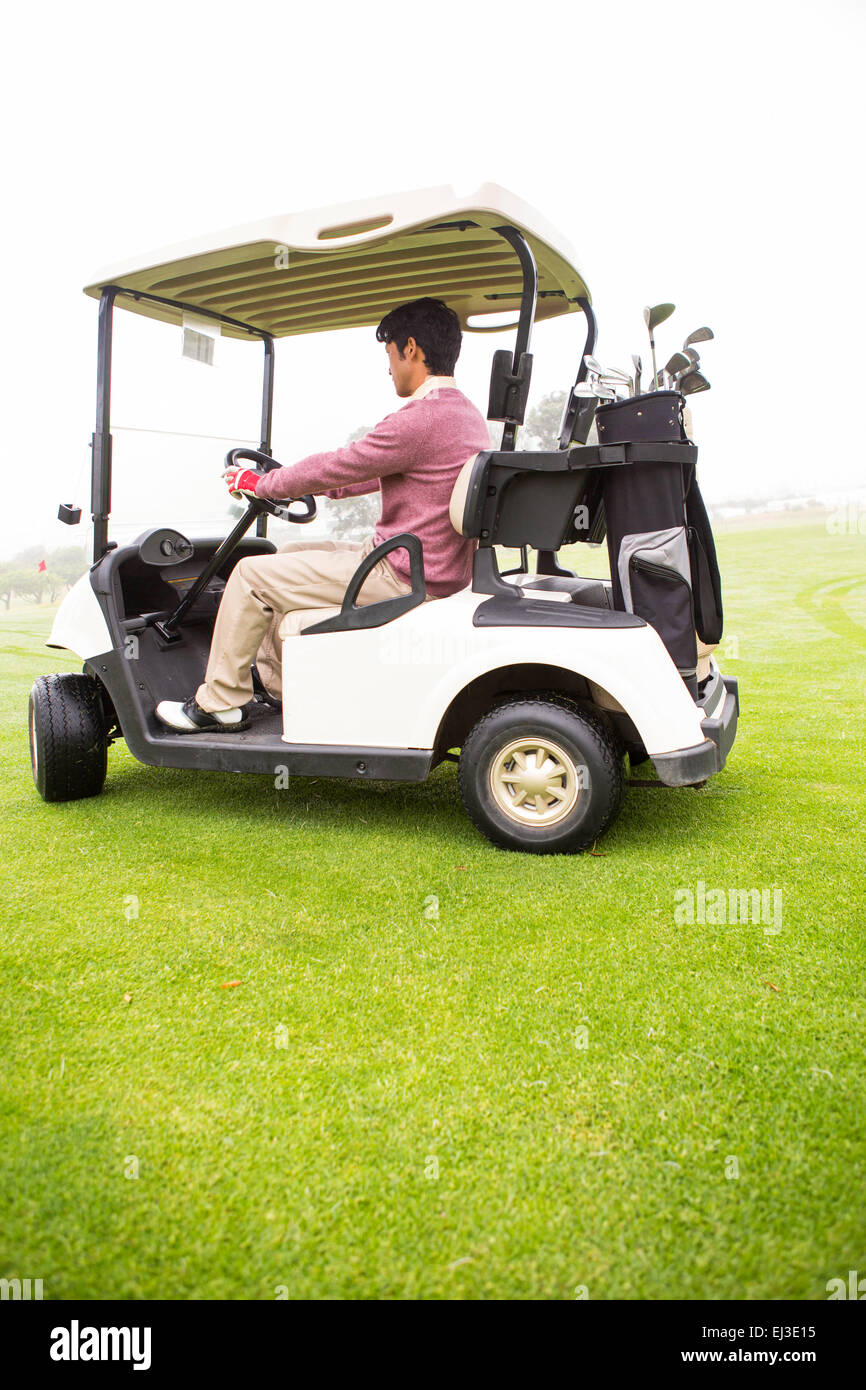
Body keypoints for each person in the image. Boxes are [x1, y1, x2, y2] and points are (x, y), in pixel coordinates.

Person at [155, 297, 490, 733]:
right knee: (289, 552)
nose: (388, 368)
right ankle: (281, 690)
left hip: (404, 574)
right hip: (428, 565)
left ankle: (219, 701)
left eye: (389, 355)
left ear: (410, 349)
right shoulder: (462, 414)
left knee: (250, 576)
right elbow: (366, 471)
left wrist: (261, 484)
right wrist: (306, 483)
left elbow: (342, 463)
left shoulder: (421, 419)